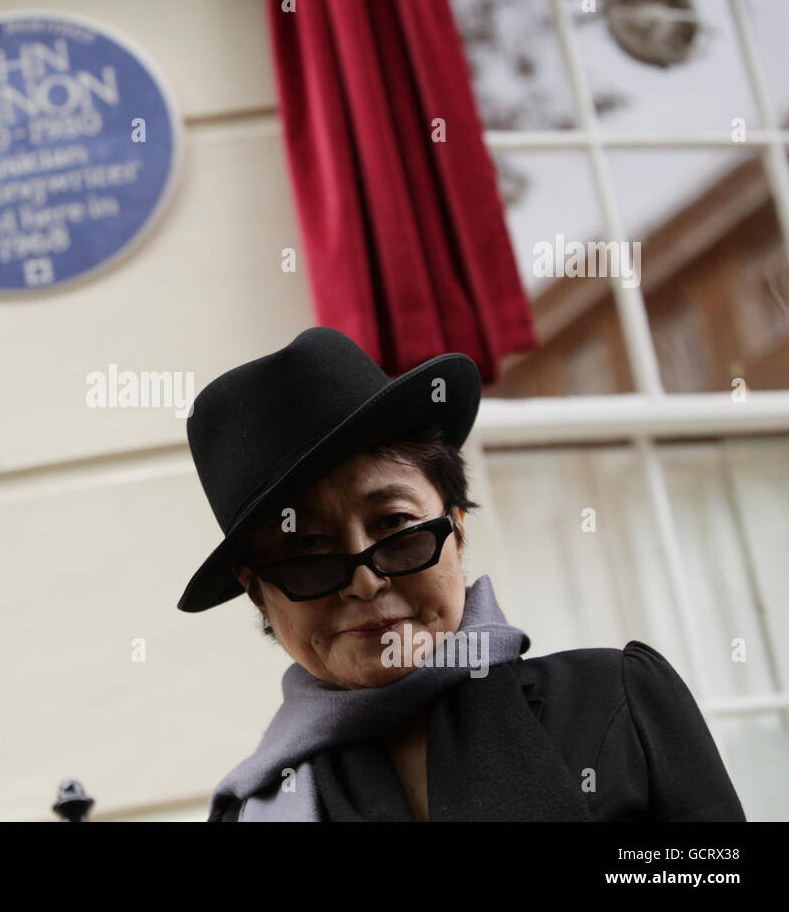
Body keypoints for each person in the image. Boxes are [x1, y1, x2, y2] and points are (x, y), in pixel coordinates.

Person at [179, 326, 746, 822]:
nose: (366, 581)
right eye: (307, 551)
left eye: (395, 523)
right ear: (258, 597)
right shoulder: (256, 813)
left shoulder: (618, 701)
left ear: (456, 526)